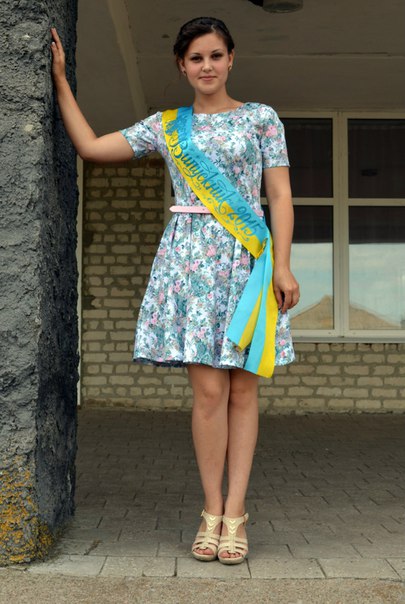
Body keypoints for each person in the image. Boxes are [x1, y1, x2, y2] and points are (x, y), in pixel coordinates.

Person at [51, 16, 299, 565]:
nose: (207, 66)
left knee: (243, 392)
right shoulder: (167, 126)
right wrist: (62, 81)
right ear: (181, 66)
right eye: (196, 58)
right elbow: (91, 147)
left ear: (231, 59)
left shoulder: (261, 118)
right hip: (190, 265)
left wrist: (283, 266)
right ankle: (210, 510)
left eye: (216, 55)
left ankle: (236, 514)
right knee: (208, 394)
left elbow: (279, 196)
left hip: (249, 263)